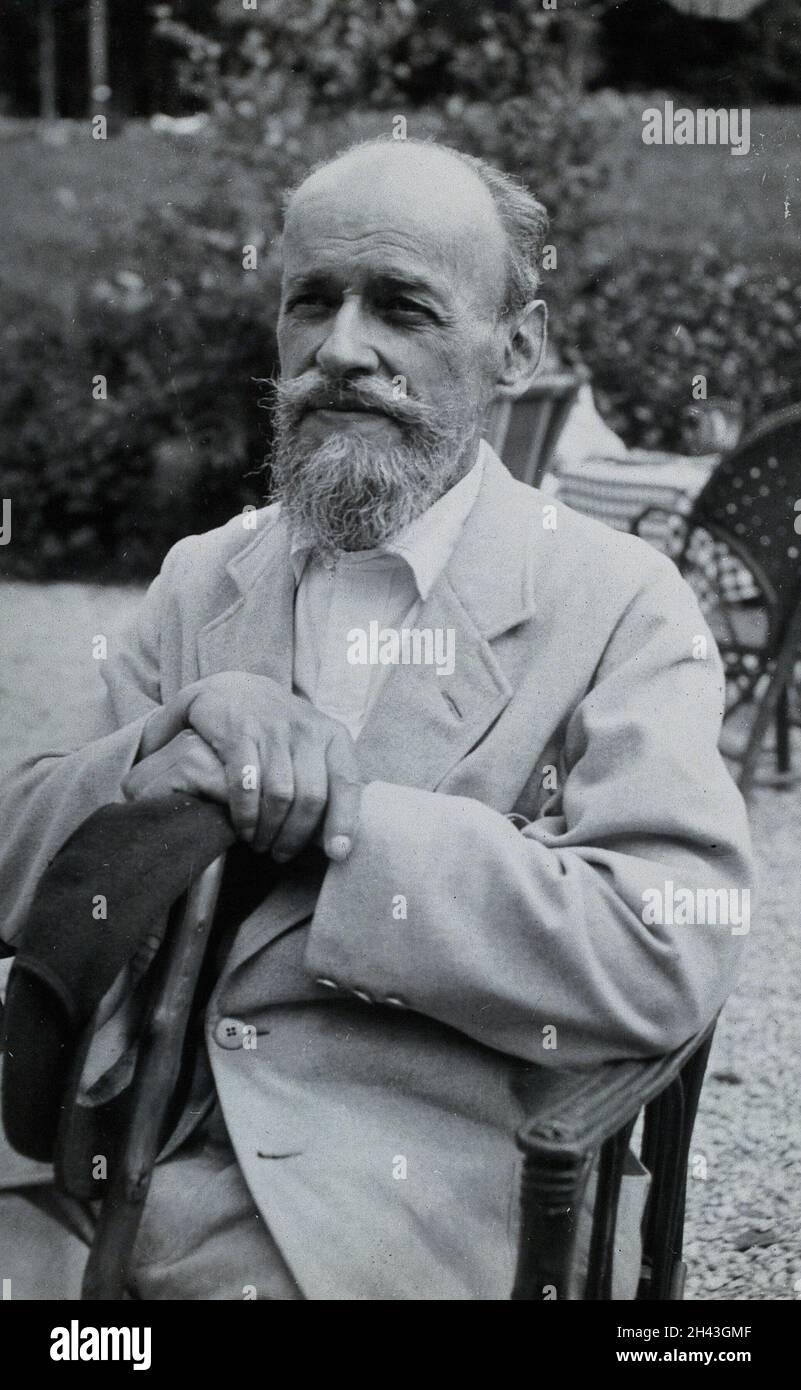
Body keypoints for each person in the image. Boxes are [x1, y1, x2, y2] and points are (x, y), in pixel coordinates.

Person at [0, 137, 753, 1300]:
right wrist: (174, 742)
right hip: (99, 1151)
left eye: (401, 306)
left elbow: (669, 944)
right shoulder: (206, 576)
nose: (343, 349)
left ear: (518, 349)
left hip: (387, 1194)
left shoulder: (617, 603)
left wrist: (340, 820)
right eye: (313, 301)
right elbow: (25, 870)